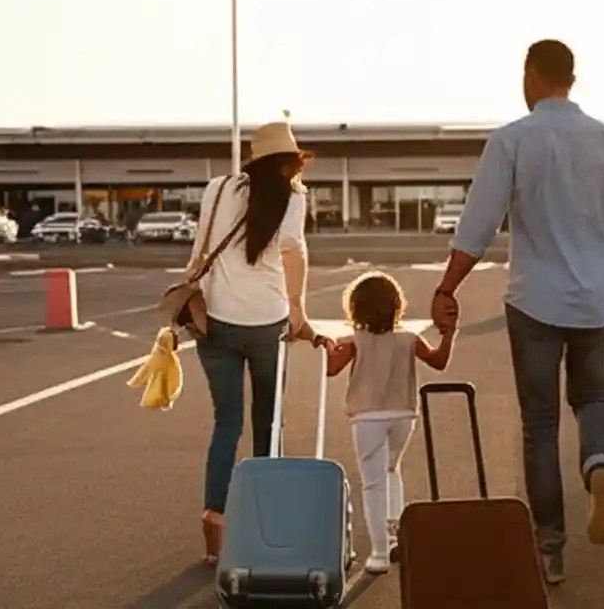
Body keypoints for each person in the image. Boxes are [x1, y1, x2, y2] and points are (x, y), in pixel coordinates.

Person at [430, 39, 604, 585]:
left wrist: (447, 287)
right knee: (594, 398)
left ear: (531, 76)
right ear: (571, 78)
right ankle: (600, 466)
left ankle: (550, 547)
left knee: (541, 426)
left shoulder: (512, 139)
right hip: (596, 301)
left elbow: (478, 223)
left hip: (535, 302)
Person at [191, 119, 331, 565]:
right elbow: (296, 255)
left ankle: (215, 528)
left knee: (226, 423)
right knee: (268, 423)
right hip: (266, 324)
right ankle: (265, 521)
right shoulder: (292, 199)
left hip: (213, 322)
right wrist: (299, 313)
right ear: (289, 163)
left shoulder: (217, 188)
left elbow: (199, 248)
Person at [325, 271, 454, 574]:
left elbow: (331, 369)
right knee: (392, 469)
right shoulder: (409, 339)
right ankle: (396, 532)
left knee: (373, 483)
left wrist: (330, 348)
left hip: (367, 416)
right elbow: (438, 361)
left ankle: (380, 553)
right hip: (403, 414)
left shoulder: (354, 341)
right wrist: (449, 333)